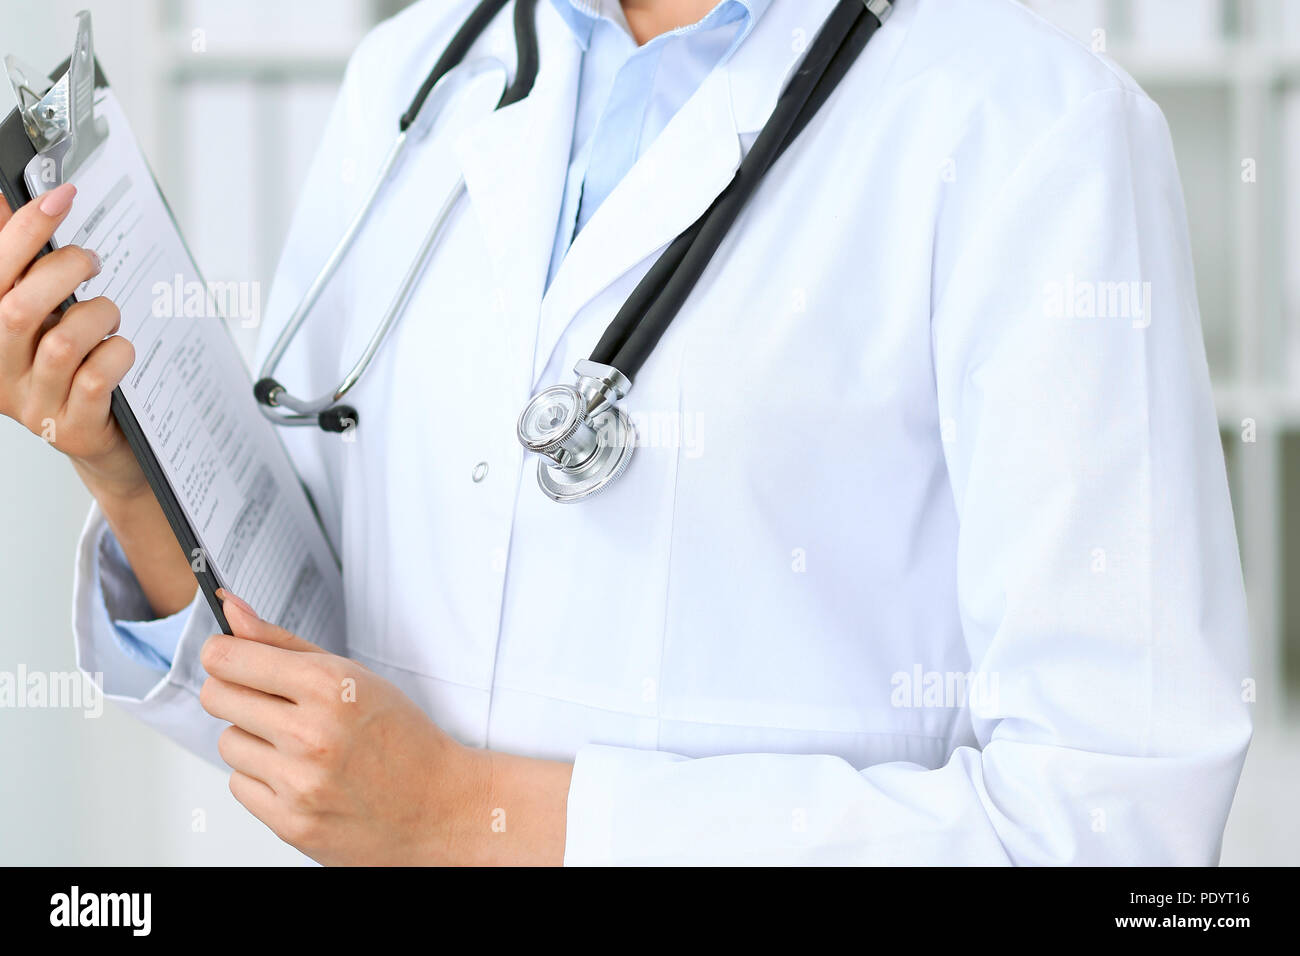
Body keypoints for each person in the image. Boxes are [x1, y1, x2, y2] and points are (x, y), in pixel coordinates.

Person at [0, 0, 1252, 865]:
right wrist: (130, 467)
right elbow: (324, 673)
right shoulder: (415, 76)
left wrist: (474, 816)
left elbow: (1115, 819)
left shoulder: (1034, 132)